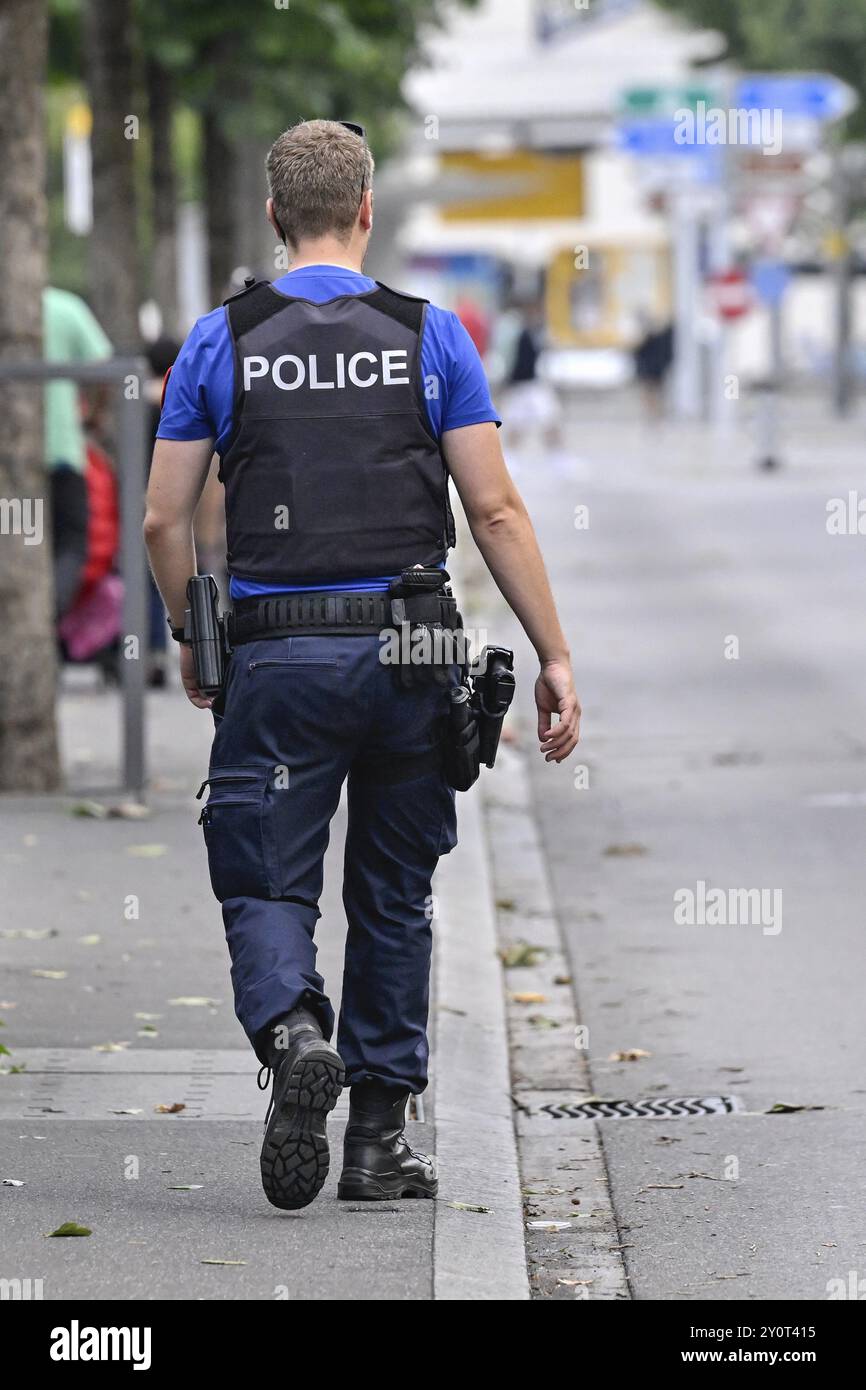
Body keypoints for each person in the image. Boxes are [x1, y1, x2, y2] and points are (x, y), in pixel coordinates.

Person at [144, 119, 580, 1212]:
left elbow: (162, 518)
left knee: (263, 873)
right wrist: (554, 653)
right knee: (395, 894)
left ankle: (294, 1028)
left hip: (280, 642)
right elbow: (490, 506)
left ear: (273, 217)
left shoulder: (220, 340)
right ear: (367, 211)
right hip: (416, 638)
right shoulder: (429, 335)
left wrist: (194, 637)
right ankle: (379, 1145)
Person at [43, 286, 112, 618]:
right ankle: (48, 621)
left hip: (15, 467)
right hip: (60, 453)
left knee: (19, 537)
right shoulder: (63, 307)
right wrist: (93, 417)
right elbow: (104, 369)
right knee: (71, 544)